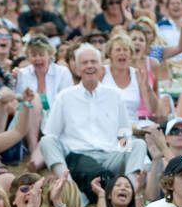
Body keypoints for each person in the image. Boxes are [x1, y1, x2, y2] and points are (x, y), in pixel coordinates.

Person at [40, 45, 149, 191]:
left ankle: (128, 191)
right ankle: (70, 190)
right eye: (85, 63)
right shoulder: (64, 97)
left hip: (109, 157)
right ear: (77, 69)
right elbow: (52, 134)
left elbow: (124, 135)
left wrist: (129, 157)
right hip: (76, 157)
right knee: (46, 141)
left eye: (93, 62)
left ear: (101, 66)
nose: (89, 66)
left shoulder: (115, 96)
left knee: (138, 145)